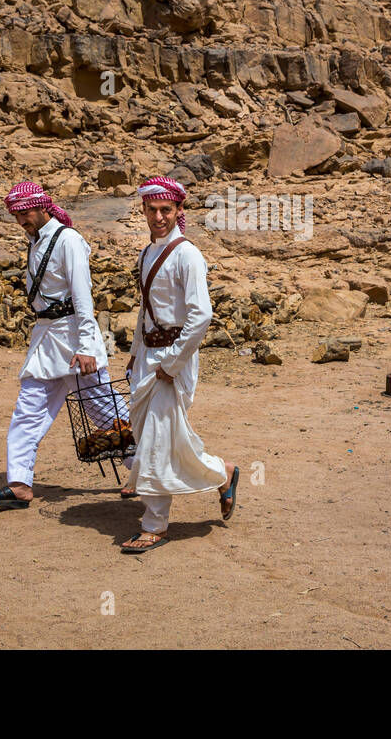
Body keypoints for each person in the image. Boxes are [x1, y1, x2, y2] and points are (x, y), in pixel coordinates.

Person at [0, 181, 125, 509]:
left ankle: (149, 472)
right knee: (27, 409)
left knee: (106, 415)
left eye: (26, 213)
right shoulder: (35, 240)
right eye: (17, 215)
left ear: (43, 206)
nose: (22, 221)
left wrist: (87, 345)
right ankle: (19, 484)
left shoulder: (67, 240)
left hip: (74, 339)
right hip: (46, 338)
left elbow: (82, 295)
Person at [118, 175, 238, 553]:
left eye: (165, 210)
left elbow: (201, 315)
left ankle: (154, 524)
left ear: (178, 211)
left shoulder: (187, 254)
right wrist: (136, 355)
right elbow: (144, 312)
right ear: (143, 211)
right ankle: (223, 473)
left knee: (156, 439)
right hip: (149, 359)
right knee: (164, 438)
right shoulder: (147, 252)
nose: (158, 217)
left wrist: (171, 362)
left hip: (173, 359)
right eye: (152, 210)